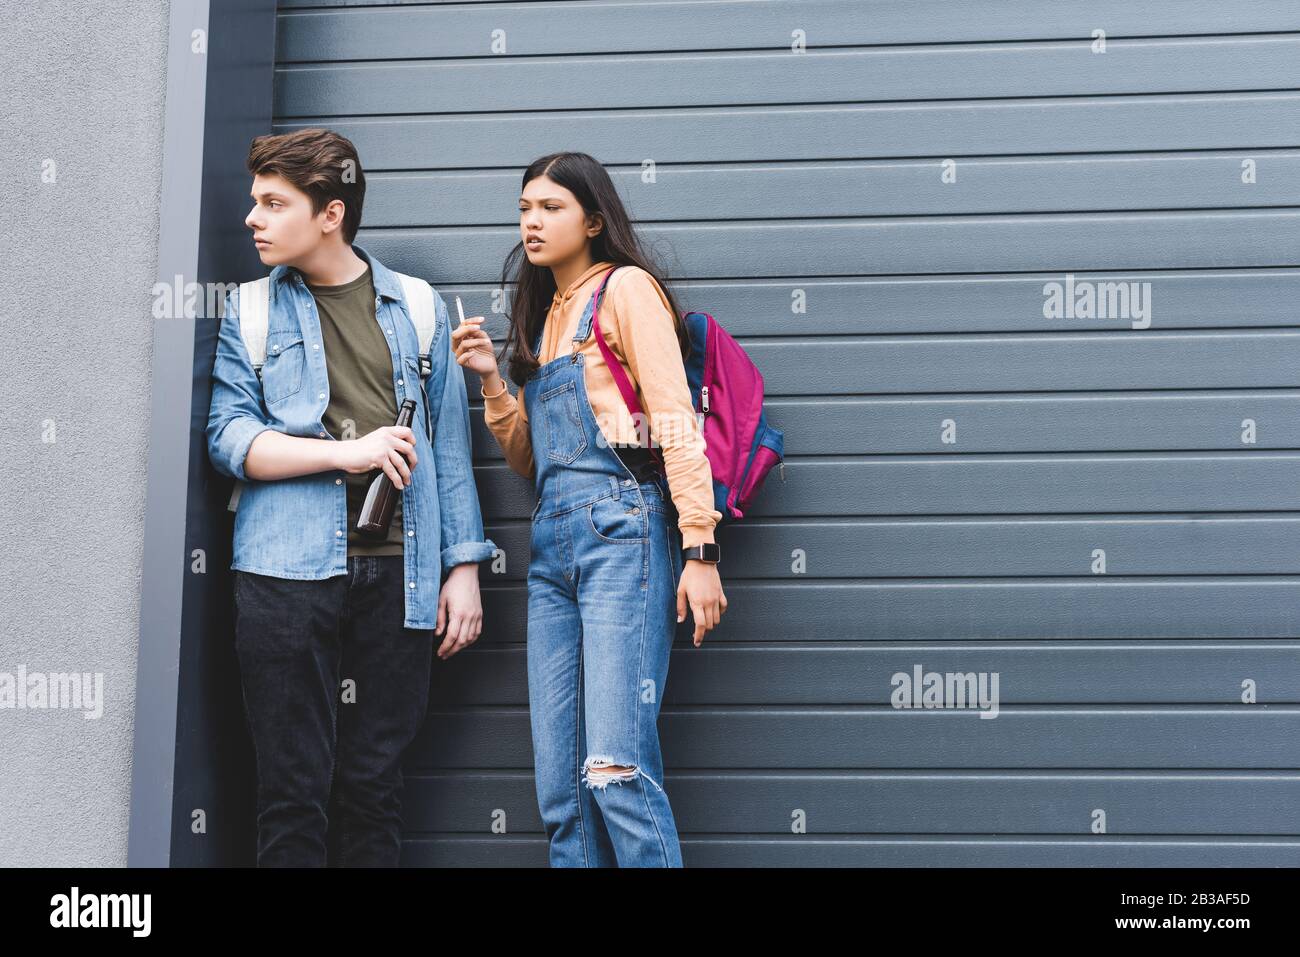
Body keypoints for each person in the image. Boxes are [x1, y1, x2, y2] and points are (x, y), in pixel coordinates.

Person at [205, 127, 495, 866]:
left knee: (373, 789)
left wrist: (464, 566)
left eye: (274, 203)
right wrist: (345, 452)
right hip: (282, 572)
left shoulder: (418, 306)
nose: (253, 219)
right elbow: (230, 440)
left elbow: (448, 450)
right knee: (290, 791)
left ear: (330, 213)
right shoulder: (250, 310)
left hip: (399, 575)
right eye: (255, 201)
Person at [452, 151, 727, 867]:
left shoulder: (626, 290)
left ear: (594, 220)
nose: (532, 222)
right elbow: (532, 460)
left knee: (616, 771)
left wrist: (699, 548)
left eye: (552, 207)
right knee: (563, 797)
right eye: (525, 208)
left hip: (621, 532)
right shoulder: (546, 316)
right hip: (552, 550)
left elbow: (674, 423)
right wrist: (492, 383)